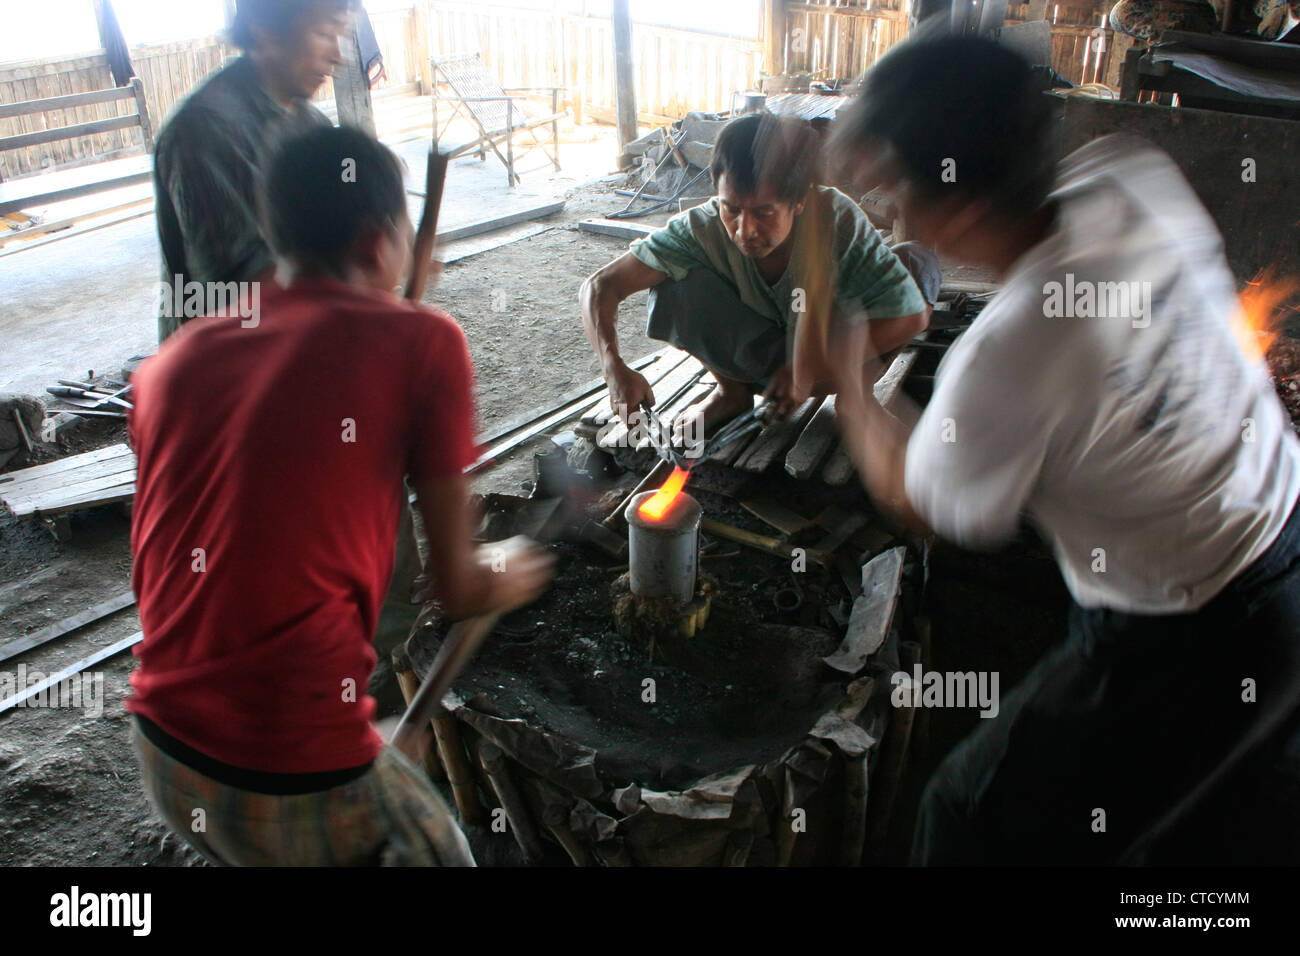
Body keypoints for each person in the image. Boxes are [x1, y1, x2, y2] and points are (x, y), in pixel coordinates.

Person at [826, 34, 1300, 865]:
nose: (891, 216)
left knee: (967, 816)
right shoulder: (1129, 177)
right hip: (1284, 531)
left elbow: (915, 500)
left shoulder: (1013, 352)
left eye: (897, 195)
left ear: (959, 211)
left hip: (1190, 629)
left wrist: (851, 382)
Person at [126, 125, 554, 866]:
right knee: (445, 852)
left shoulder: (177, 357)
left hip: (164, 750)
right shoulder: (424, 343)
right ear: (377, 241)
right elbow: (457, 587)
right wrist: (513, 566)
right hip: (281, 764)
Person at [581, 112, 938, 440]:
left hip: (831, 360)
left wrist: (810, 365)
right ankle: (731, 392)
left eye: (764, 212)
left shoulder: (837, 220)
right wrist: (614, 367)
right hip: (761, 361)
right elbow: (600, 286)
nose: (744, 230)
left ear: (798, 203)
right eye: (731, 209)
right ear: (716, 194)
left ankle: (856, 398)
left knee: (916, 264)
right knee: (671, 284)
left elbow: (911, 316)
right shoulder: (700, 227)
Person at [153, 0, 352, 343]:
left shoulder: (310, 122)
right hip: (226, 365)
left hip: (293, 346)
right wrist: (362, 262)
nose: (338, 54)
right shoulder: (202, 133)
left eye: (340, 35)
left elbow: (351, 193)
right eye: (324, 33)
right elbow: (241, 295)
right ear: (265, 30)